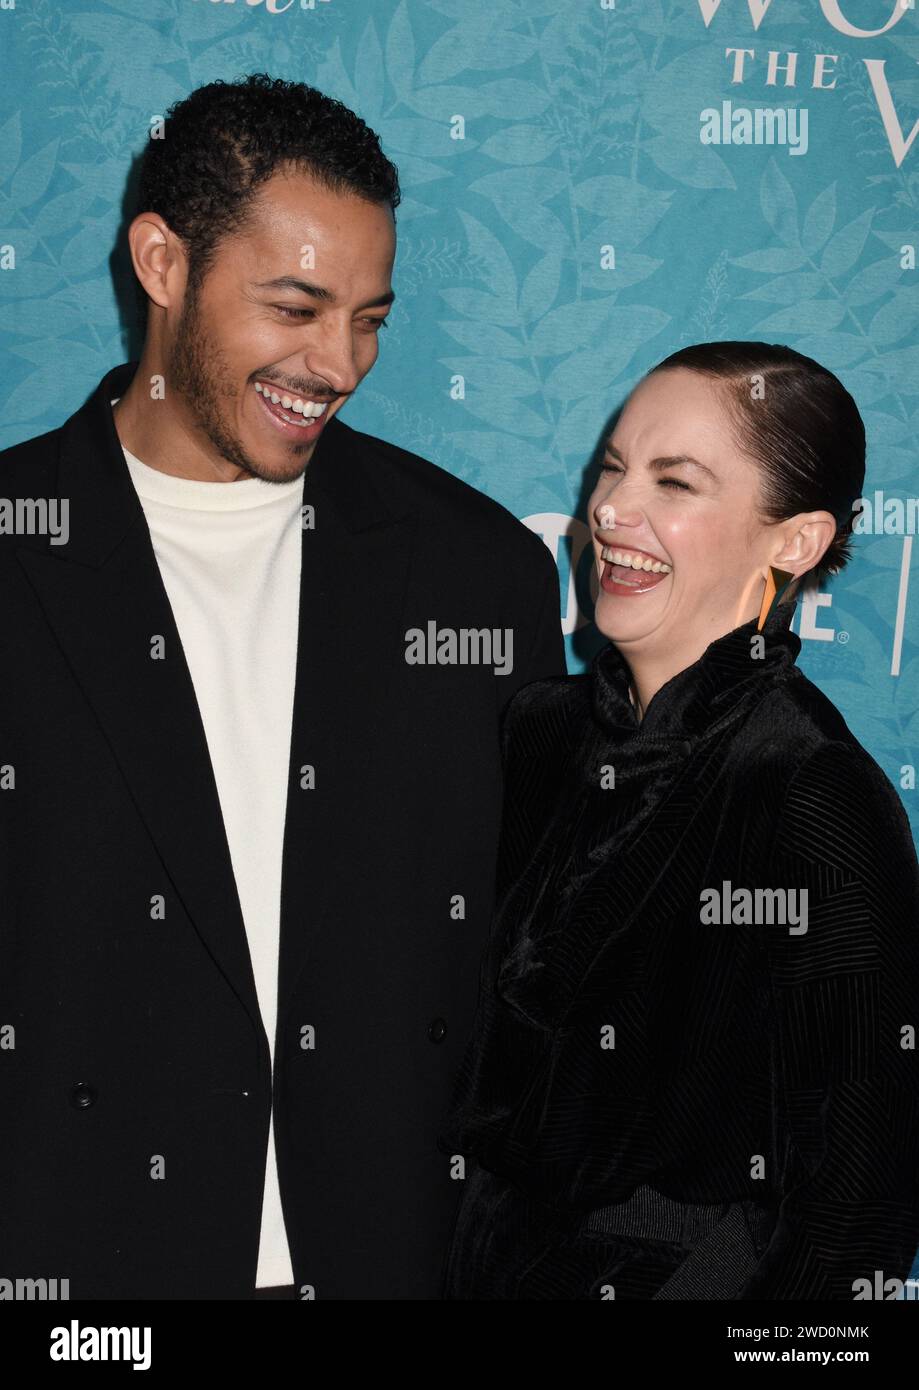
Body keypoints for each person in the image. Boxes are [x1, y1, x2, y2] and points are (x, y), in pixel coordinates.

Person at [0, 74, 565, 1300]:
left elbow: (531, 973)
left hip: (394, 1259)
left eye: (370, 317)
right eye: (297, 306)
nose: (340, 362)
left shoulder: (476, 572)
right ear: (163, 262)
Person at [438, 341, 919, 1300]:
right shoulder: (538, 733)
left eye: (676, 482)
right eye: (614, 467)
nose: (614, 508)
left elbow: (859, 1208)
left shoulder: (809, 791)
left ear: (794, 541)